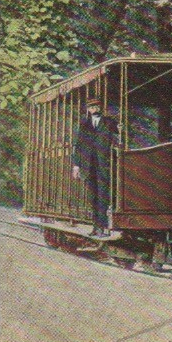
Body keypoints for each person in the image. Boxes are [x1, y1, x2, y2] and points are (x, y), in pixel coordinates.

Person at [72, 97, 119, 238]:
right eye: (91, 107)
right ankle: (95, 227)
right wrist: (76, 166)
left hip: (105, 165)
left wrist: (120, 129)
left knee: (103, 197)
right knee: (93, 197)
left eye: (96, 107)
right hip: (88, 166)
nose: (94, 109)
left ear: (100, 108)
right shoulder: (84, 124)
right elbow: (79, 146)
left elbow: (121, 134)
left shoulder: (110, 122)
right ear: (88, 109)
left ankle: (102, 228)